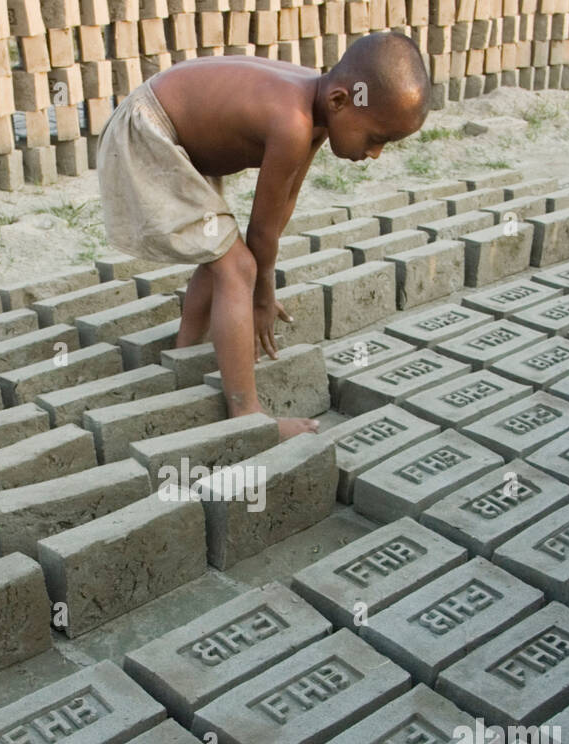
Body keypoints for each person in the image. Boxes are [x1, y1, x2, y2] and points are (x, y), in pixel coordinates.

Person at [97, 32, 431, 440]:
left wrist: (262, 288)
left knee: (224, 250)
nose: (375, 153)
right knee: (236, 265)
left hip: (168, 128)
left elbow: (282, 203)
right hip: (148, 134)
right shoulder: (292, 122)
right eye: (376, 138)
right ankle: (247, 416)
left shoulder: (319, 106)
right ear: (341, 101)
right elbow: (260, 230)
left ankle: (184, 353)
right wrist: (260, 294)